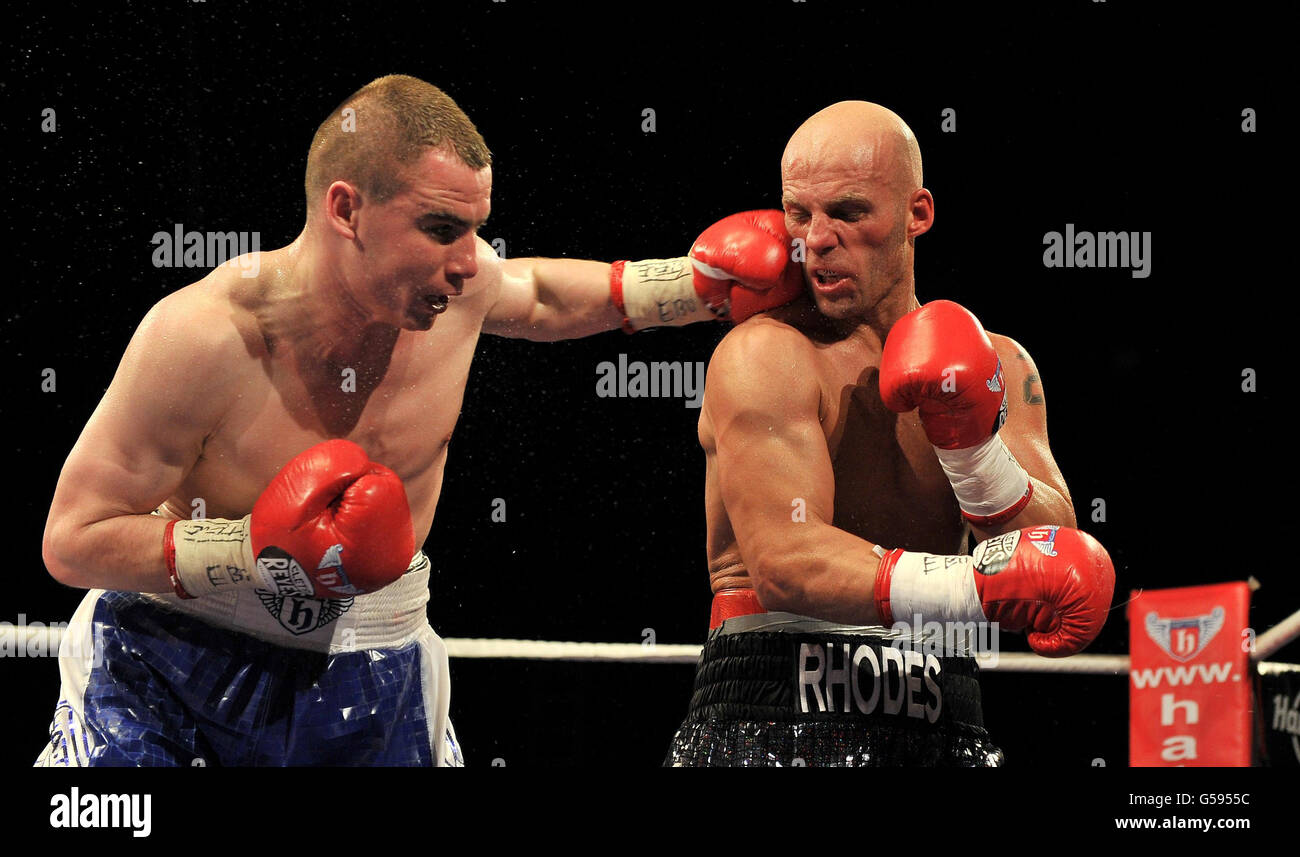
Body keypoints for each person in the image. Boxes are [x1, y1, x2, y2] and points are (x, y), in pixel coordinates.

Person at [35, 74, 799, 767]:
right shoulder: (203, 337)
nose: (469, 263)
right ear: (346, 209)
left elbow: (541, 294)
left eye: (477, 229)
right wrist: (245, 547)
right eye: (440, 229)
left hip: (374, 661)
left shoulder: (462, 290)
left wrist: (698, 286)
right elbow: (72, 539)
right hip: (167, 665)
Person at [664, 101, 1115, 767]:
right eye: (799, 213)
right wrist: (976, 590)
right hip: (774, 700)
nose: (816, 238)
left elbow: (1050, 552)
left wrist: (972, 448)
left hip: (942, 702)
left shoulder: (1002, 362)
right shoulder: (765, 353)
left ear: (917, 214)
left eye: (847, 213)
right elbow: (786, 563)